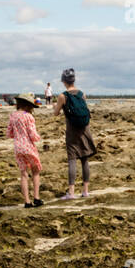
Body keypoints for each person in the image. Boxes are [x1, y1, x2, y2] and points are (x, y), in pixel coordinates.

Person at [52, 67, 96, 200]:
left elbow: (56, 113)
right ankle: (85, 191)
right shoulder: (82, 94)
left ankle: (71, 192)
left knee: (72, 160)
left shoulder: (62, 96)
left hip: (72, 130)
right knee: (85, 159)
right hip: (85, 128)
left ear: (63, 81)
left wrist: (55, 106)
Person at [6, 92, 43, 208]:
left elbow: (9, 133)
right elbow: (32, 134)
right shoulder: (28, 116)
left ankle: (27, 201)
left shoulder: (13, 115)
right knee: (35, 171)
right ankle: (36, 198)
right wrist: (38, 138)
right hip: (28, 146)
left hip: (18, 147)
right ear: (28, 105)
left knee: (23, 174)